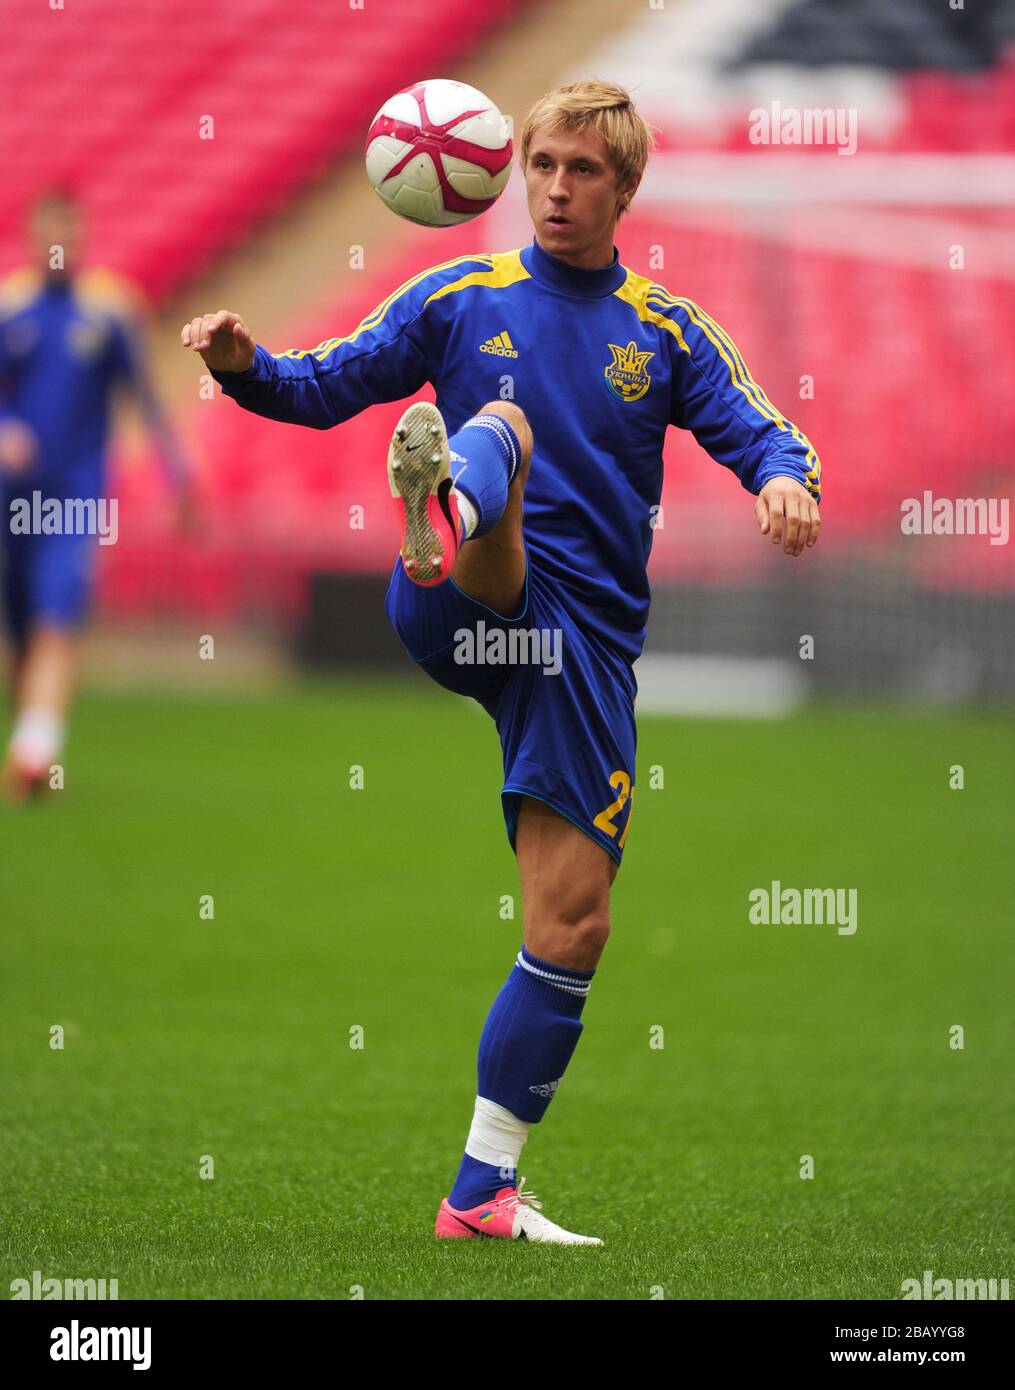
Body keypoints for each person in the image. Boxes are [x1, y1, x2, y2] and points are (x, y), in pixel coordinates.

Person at [182, 79, 822, 1244]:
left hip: (580, 655)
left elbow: (757, 421)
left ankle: (480, 1193)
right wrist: (240, 363)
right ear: (512, 171)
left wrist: (785, 477)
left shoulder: (665, 329)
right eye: (543, 166)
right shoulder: (459, 295)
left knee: (570, 928)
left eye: (584, 171)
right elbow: (325, 382)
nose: (559, 188)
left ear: (624, 189)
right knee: (508, 426)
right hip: (467, 596)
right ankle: (452, 501)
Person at [0, 187, 193, 802]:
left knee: (59, 614)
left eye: (70, 231)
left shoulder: (111, 311)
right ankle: (32, 732)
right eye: (49, 231)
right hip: (10, 495)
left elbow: (145, 398)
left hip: (76, 495)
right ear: (34, 236)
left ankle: (35, 753)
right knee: (21, 629)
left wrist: (178, 476)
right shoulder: (9, 308)